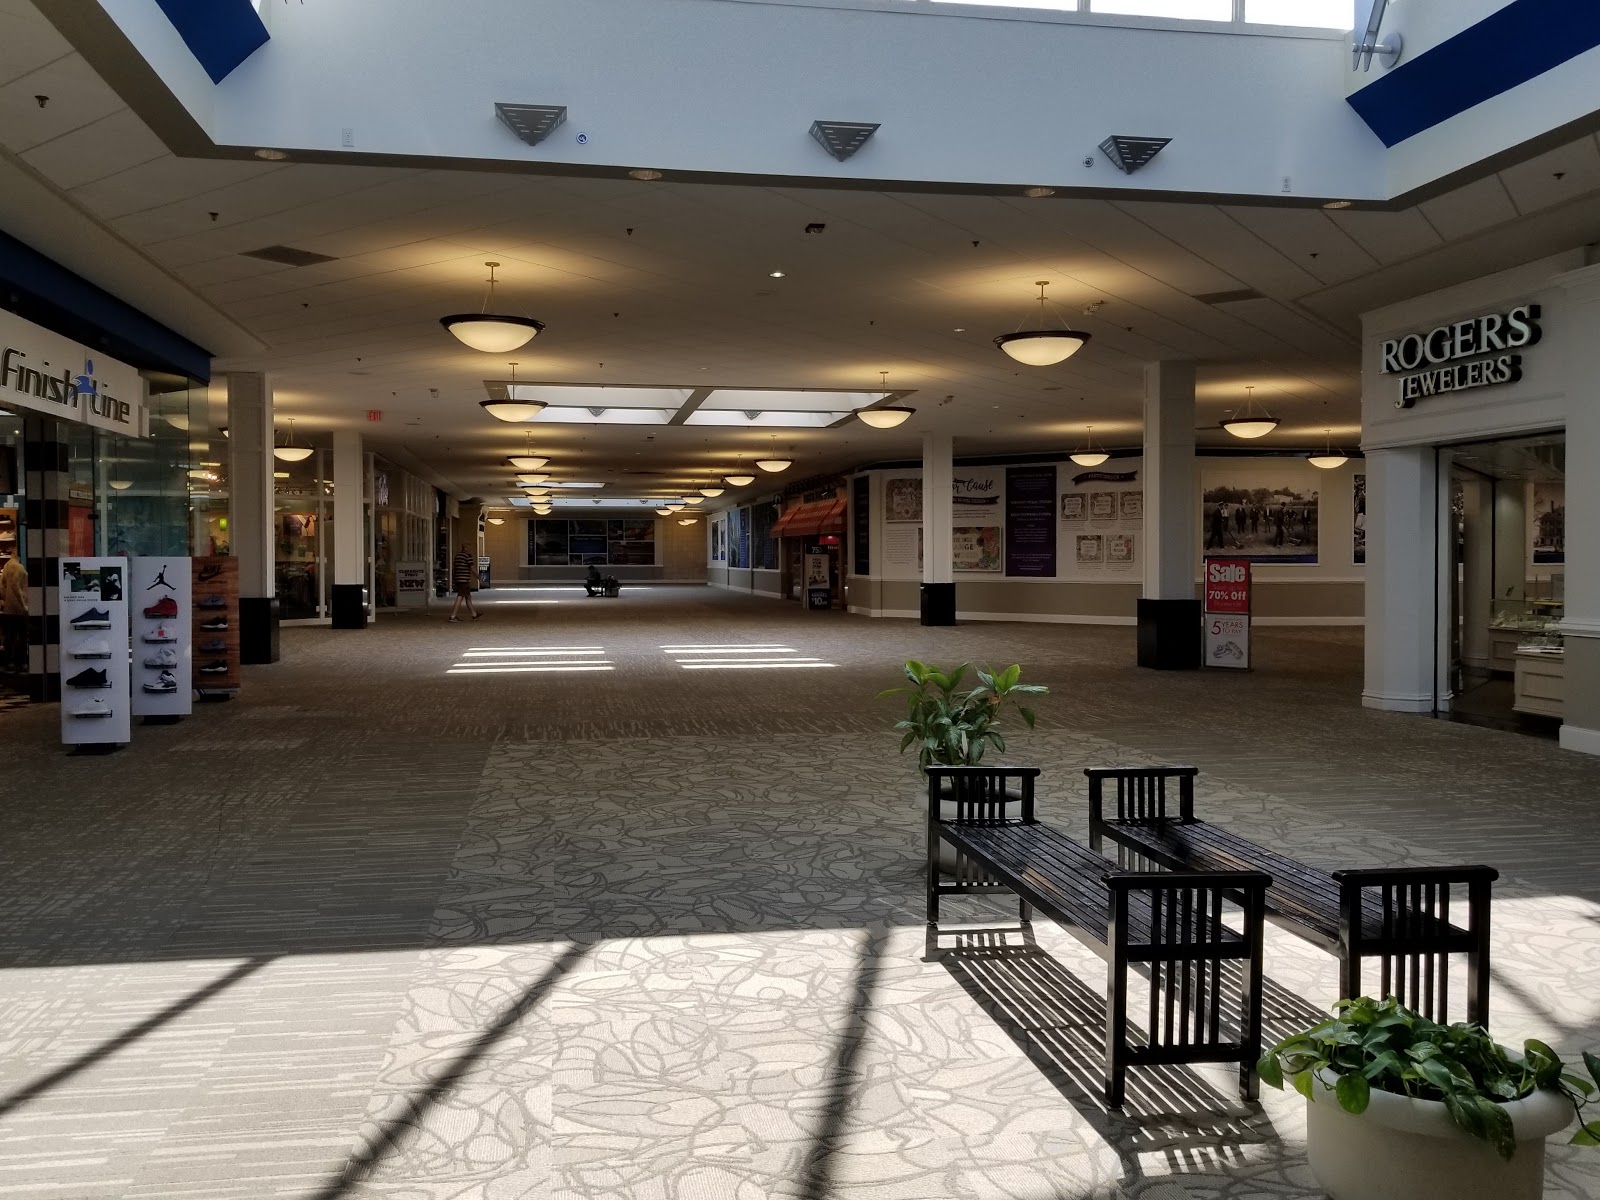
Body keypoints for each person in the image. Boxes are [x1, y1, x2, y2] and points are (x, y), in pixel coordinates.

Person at [449, 546, 480, 622]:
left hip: (458, 579)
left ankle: (474, 614)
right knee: (460, 596)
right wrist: (479, 577)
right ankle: (453, 616)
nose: (471, 550)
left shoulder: (457, 556)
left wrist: (454, 578)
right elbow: (472, 568)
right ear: (467, 549)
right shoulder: (468, 556)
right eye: (470, 548)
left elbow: (454, 568)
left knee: (468, 597)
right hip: (465, 580)